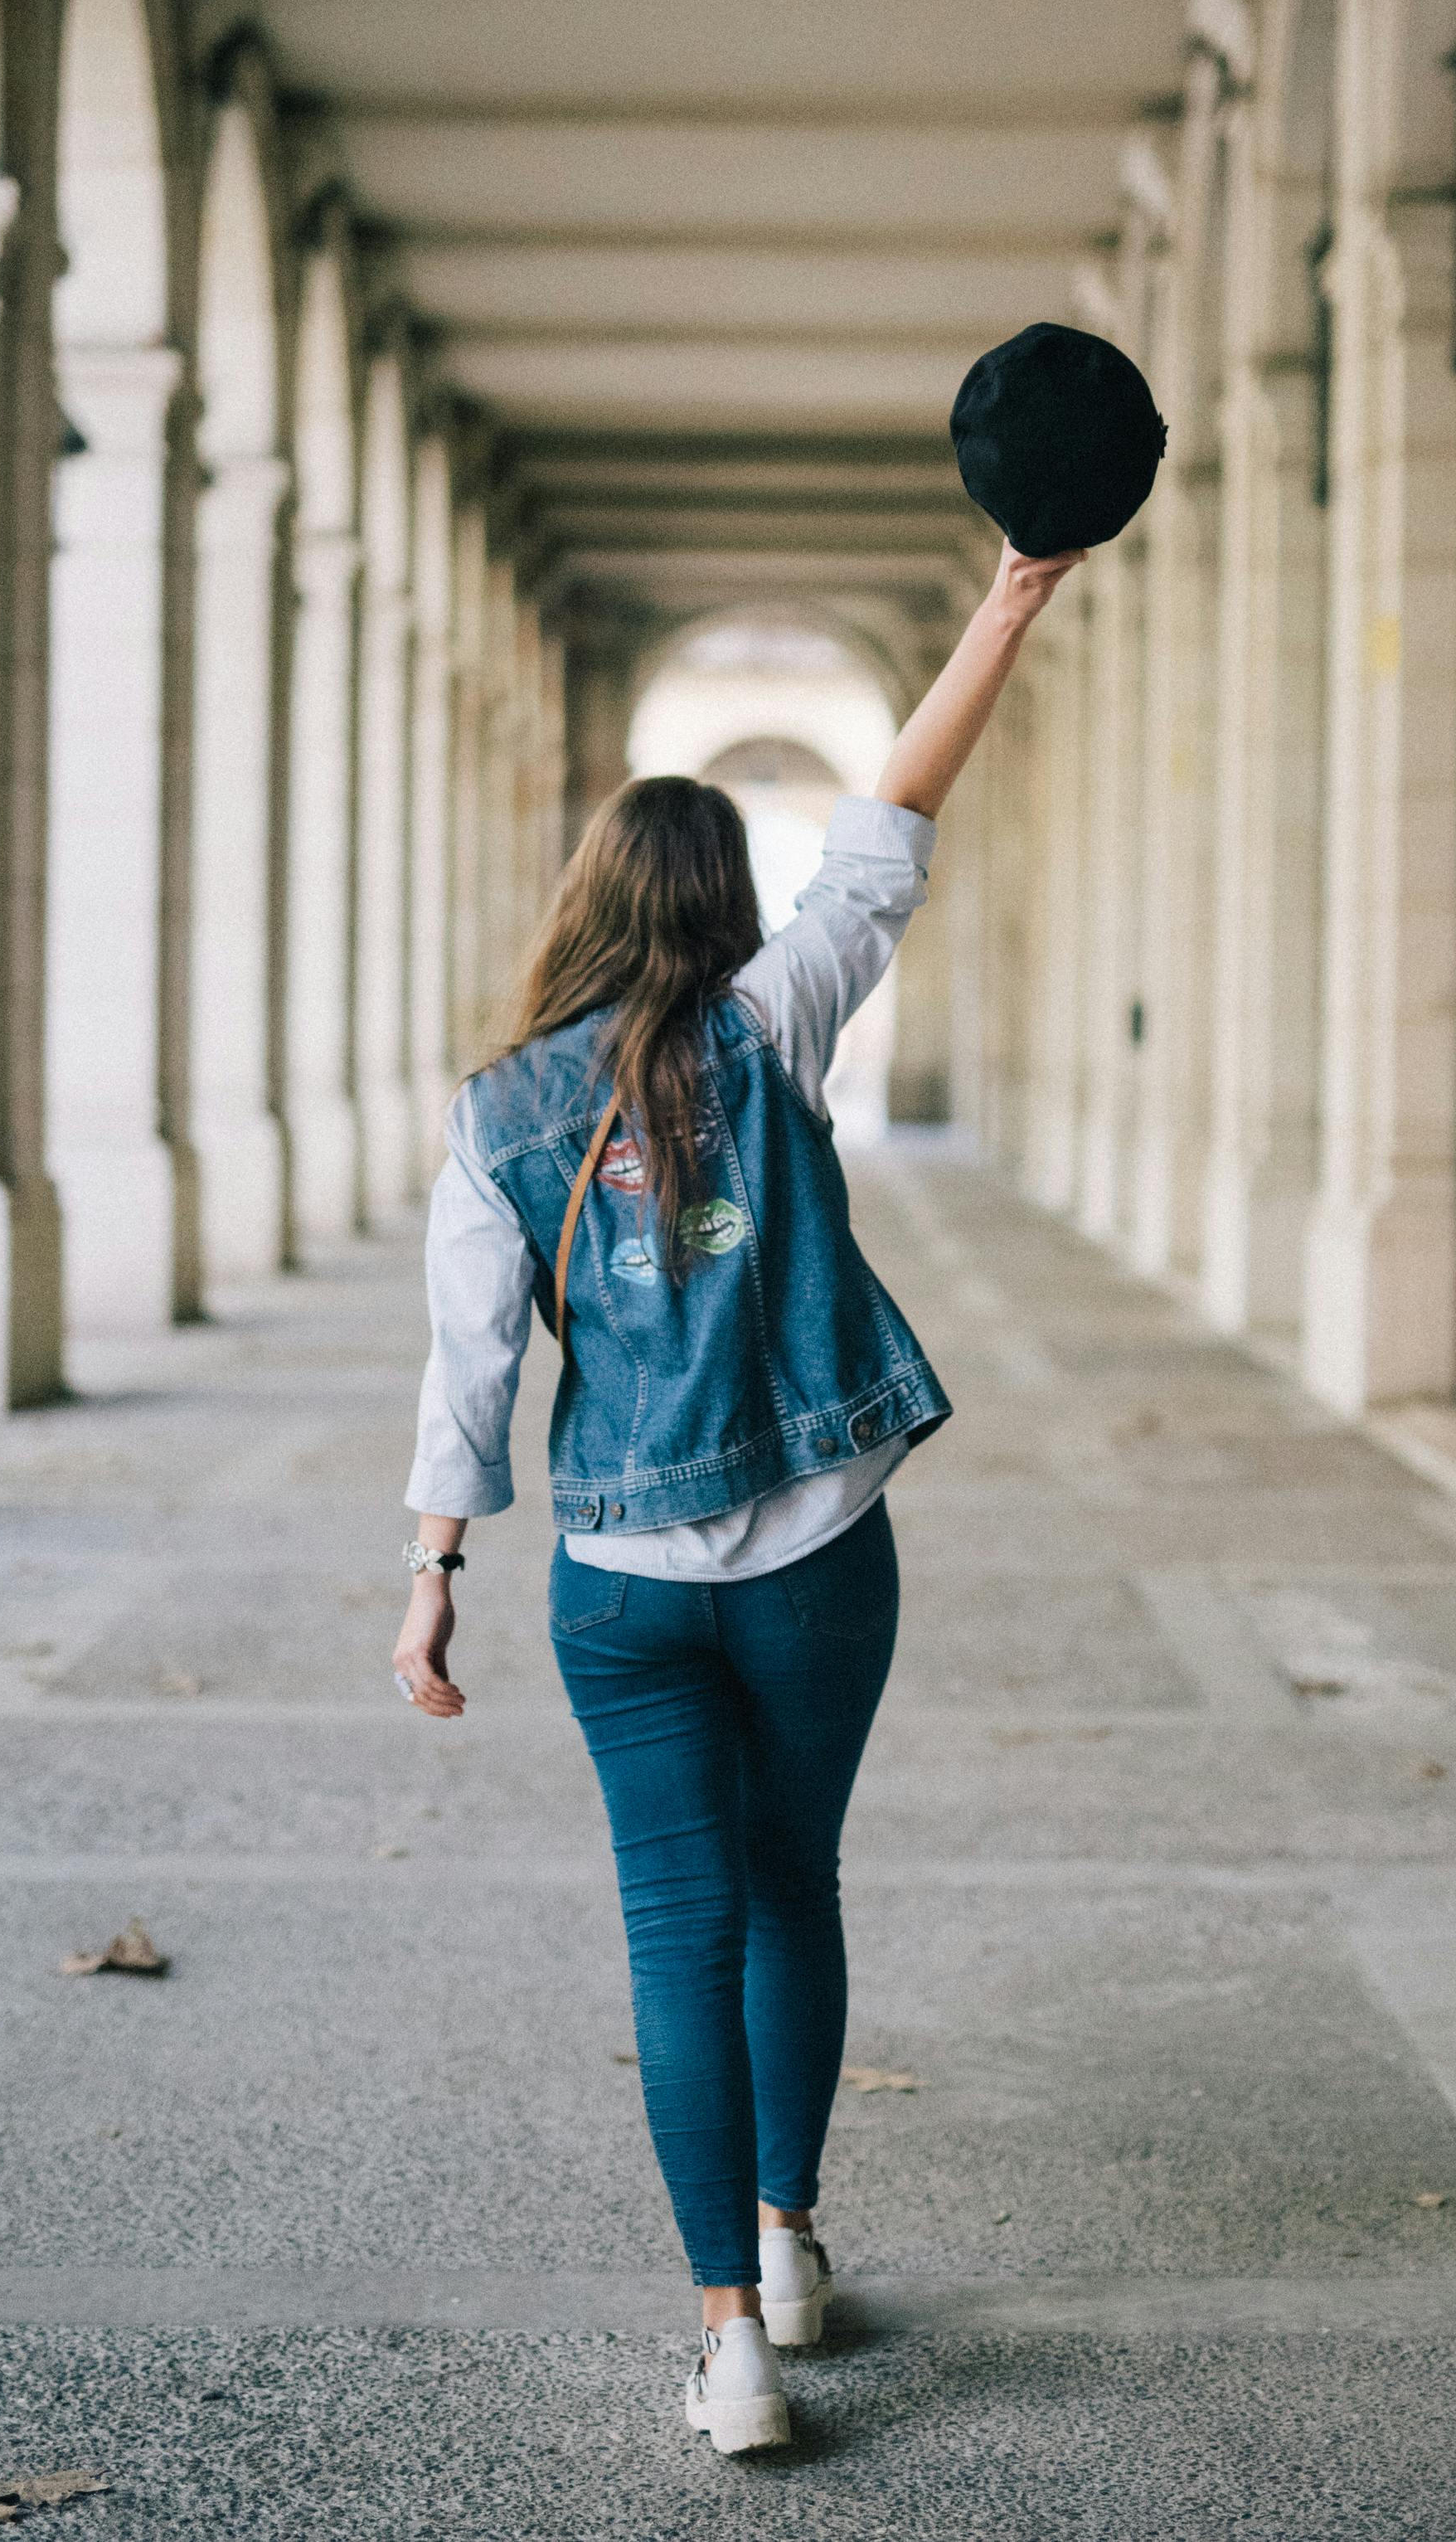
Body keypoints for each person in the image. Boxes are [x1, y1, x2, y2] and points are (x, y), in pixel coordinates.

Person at [396, 539, 1085, 2453]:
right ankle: (788, 2234)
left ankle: (732, 2347)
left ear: (586, 901)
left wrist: (433, 1570)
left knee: (674, 1927)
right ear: (721, 906)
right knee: (796, 1884)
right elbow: (893, 824)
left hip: (616, 1583)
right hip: (812, 1551)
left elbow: (469, 1364)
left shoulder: (496, 1107)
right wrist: (1010, 599)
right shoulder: (774, 1028)